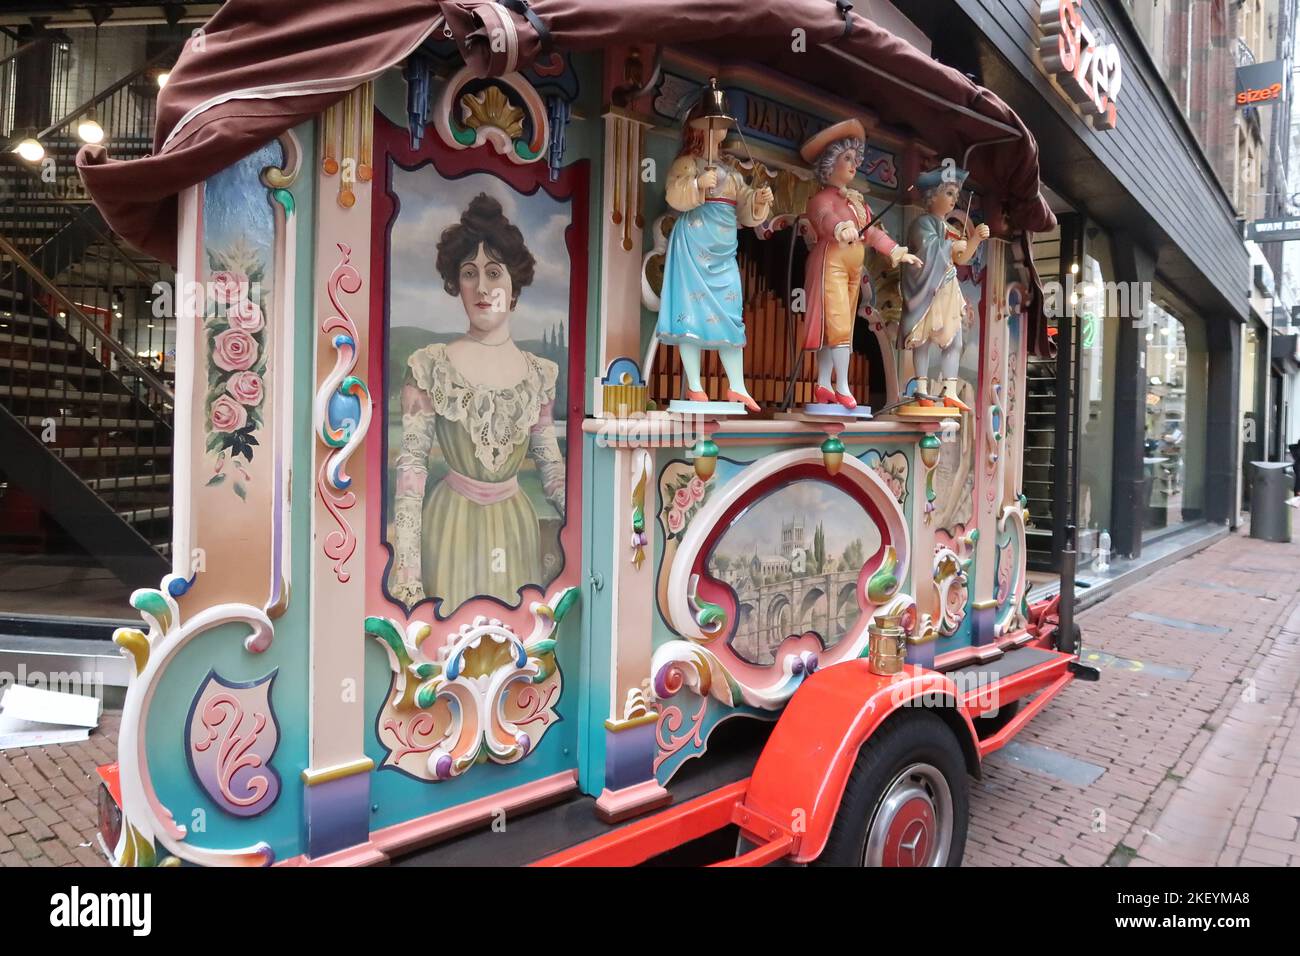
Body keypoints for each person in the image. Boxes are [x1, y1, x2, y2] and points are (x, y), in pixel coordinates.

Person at [390, 193, 566, 610]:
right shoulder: (431, 365)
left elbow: (550, 467)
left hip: (515, 525)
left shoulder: (539, 373)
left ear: (513, 283)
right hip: (450, 525)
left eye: (494, 272)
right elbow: (412, 469)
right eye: (469, 273)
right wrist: (408, 569)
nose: (483, 287)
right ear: (456, 283)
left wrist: (582, 523)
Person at [655, 88, 773, 411]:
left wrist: (758, 201)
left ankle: (736, 385)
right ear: (696, 126)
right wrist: (697, 185)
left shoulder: (733, 172)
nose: (717, 129)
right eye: (711, 122)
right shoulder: (687, 163)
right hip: (694, 244)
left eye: (721, 123)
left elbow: (745, 211)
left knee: (731, 315)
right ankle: (694, 386)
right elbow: (674, 195)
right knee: (690, 316)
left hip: (723, 252)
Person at [799, 118, 920, 410]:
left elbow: (873, 232)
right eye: (847, 159)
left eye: (855, 159)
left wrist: (897, 251)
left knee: (839, 328)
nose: (854, 165)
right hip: (831, 264)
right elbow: (823, 218)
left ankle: (824, 384)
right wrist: (841, 228)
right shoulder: (821, 198)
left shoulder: (856, 201)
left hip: (853, 270)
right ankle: (841, 386)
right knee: (838, 325)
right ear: (830, 163)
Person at [900, 164, 989, 410]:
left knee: (955, 341)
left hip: (948, 289)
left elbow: (963, 259)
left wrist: (974, 240)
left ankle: (949, 389)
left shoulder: (950, 229)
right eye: (949, 193)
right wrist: (950, 248)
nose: (953, 200)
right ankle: (921, 389)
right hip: (929, 289)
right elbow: (927, 248)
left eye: (956, 196)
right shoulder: (922, 224)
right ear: (932, 196)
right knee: (923, 340)